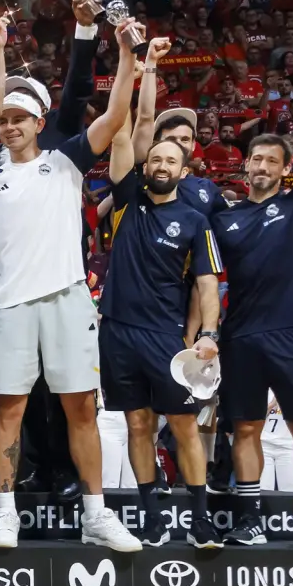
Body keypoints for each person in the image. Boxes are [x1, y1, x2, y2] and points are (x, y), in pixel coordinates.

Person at [0, 19, 142, 553]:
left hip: (68, 297)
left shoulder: (65, 161)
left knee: (81, 409)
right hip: (10, 306)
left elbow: (115, 115)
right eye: (4, 118)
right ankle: (6, 514)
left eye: (20, 118)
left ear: (40, 121)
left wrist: (128, 54)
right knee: (8, 412)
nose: (10, 126)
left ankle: (96, 513)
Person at [99, 37, 223, 548]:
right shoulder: (127, 198)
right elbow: (136, 125)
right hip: (117, 331)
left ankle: (198, 519)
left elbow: (208, 283)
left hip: (166, 335)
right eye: (156, 158)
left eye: (172, 160)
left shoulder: (195, 220)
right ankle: (151, 517)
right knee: (136, 423)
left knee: (184, 424)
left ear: (183, 168)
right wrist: (147, 67)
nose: (162, 165)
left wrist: (208, 333)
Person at [210, 130, 293, 548]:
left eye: (271, 161)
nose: (261, 167)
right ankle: (250, 520)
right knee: (245, 429)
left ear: (287, 168)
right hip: (239, 336)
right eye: (256, 159)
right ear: (246, 164)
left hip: (292, 331)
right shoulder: (223, 219)